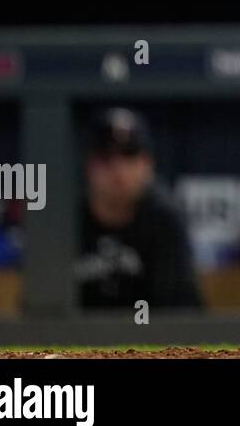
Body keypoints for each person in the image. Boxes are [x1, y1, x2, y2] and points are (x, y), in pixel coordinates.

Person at [75, 108, 202, 310]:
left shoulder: (165, 220)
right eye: (106, 158)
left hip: (155, 338)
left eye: (129, 155)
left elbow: (179, 312)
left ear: (147, 164)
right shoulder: (65, 221)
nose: (118, 170)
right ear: (89, 165)